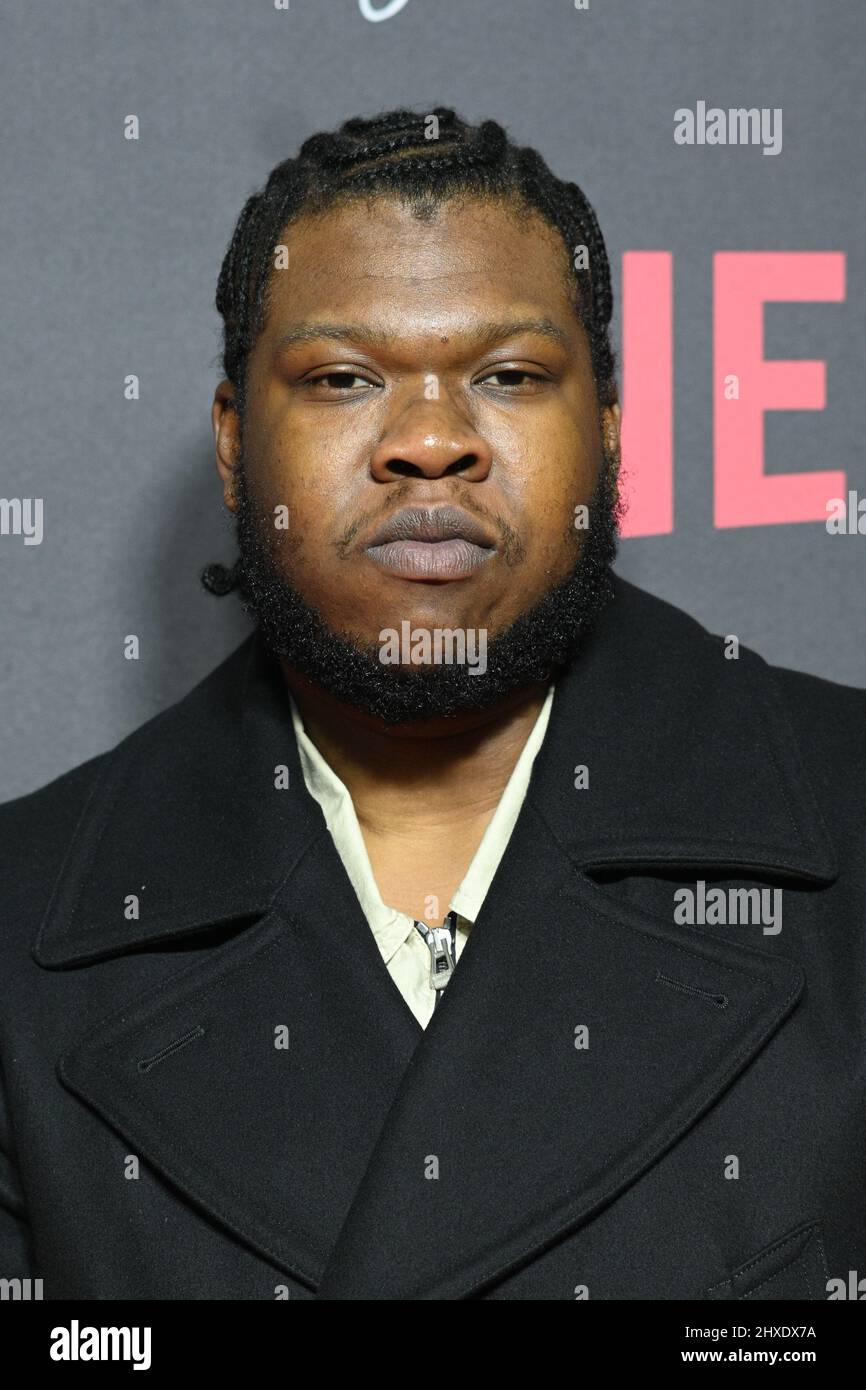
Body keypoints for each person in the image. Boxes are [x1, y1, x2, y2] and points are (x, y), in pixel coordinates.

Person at [1, 107, 864, 1302]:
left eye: (507, 375)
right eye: (344, 377)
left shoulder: (843, 824)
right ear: (234, 443)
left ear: (609, 439)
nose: (426, 440)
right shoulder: (25, 926)